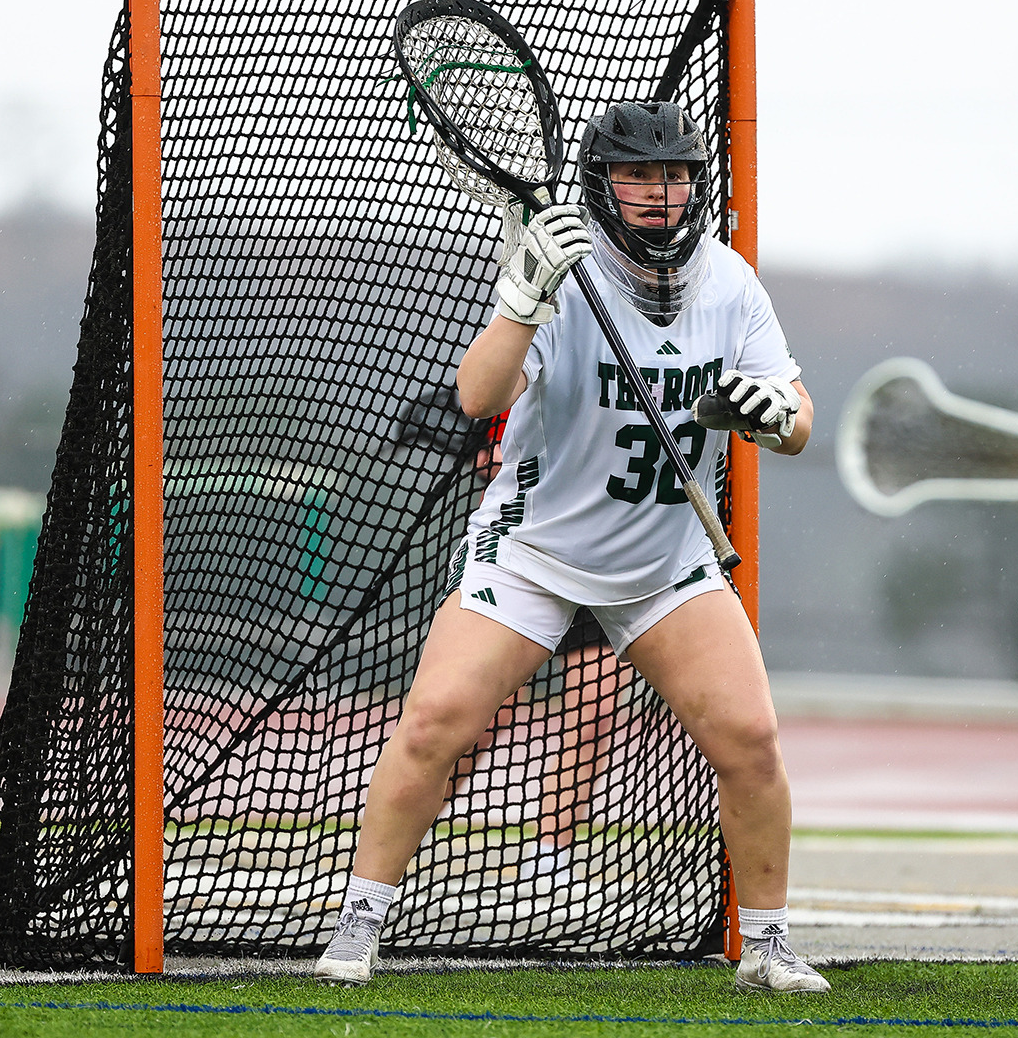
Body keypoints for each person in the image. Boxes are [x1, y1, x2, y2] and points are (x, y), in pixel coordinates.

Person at [314, 101, 825, 993]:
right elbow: (477, 393)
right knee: (435, 722)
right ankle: (361, 917)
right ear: (603, 184)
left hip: (665, 560)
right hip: (534, 552)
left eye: (674, 177)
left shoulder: (730, 282)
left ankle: (770, 945)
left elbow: (798, 418)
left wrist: (777, 416)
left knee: (749, 736)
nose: (660, 195)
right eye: (638, 176)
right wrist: (521, 297)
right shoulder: (563, 272)